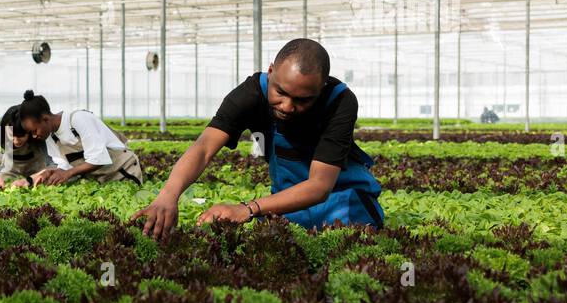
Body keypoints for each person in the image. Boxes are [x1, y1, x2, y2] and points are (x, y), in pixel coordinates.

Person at [134, 39, 383, 239]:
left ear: (322, 88)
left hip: (341, 201)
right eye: (281, 92)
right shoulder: (250, 94)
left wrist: (248, 208)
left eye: (303, 100)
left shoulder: (340, 102)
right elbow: (204, 147)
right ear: (271, 71)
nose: (287, 106)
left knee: (345, 244)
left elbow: (319, 186)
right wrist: (168, 194)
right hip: (285, 204)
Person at [17, 90, 144, 186]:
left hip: (124, 172)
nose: (34, 136)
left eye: (35, 130)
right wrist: (47, 173)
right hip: (101, 180)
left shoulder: (78, 119)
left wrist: (68, 173)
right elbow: (63, 164)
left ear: (45, 118)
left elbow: (98, 158)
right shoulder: (51, 136)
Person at [0, 104, 52, 188]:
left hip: (37, 167)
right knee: (4, 186)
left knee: (48, 184)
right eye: (12, 135)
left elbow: (53, 165)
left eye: (21, 136)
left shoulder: (38, 132)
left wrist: (29, 180)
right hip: (11, 167)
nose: (16, 141)